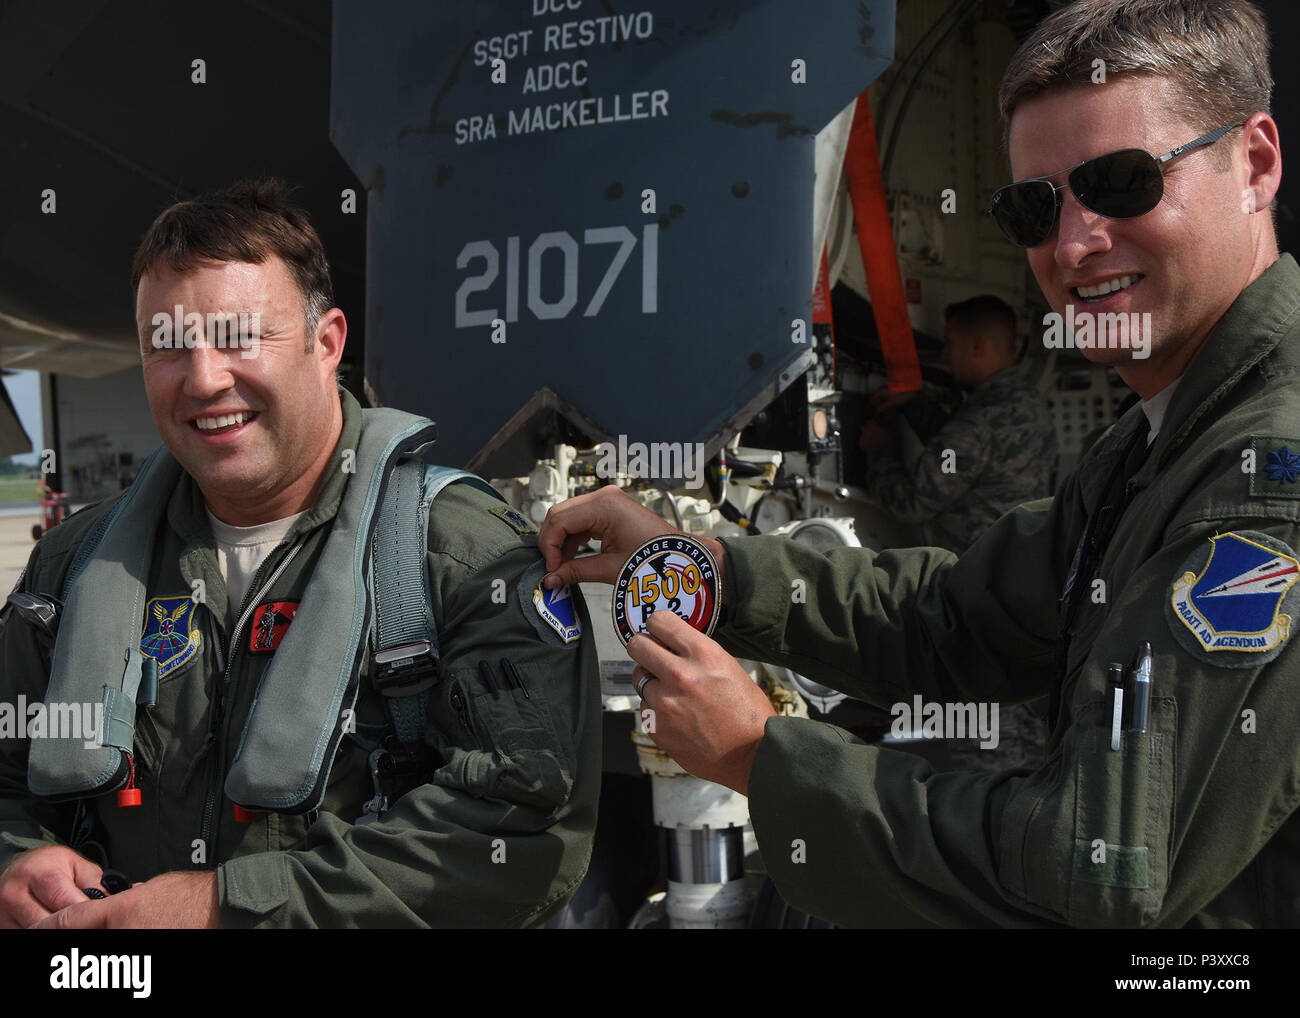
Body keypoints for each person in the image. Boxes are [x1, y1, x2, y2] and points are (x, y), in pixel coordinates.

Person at [538, 0, 1298, 926]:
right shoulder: (1158, 440)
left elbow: (1100, 869)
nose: (1072, 243)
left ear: (1255, 162)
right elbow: (955, 617)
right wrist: (712, 570)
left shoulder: (1266, 476)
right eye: (1034, 205)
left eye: (1125, 181)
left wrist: (759, 756)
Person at [0, 179, 600, 928]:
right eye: (167, 346)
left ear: (327, 344)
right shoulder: (73, 570)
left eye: (239, 337)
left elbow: (519, 837)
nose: (204, 379)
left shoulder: (462, 558)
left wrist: (228, 909)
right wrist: (18, 858)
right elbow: (9, 776)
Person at [859, 294, 1057, 554]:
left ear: (977, 347)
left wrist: (878, 449)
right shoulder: (1031, 404)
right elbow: (966, 453)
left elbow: (910, 502)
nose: (945, 355)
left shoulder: (979, 423)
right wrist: (912, 404)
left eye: (949, 344)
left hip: (974, 576)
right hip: (1018, 562)